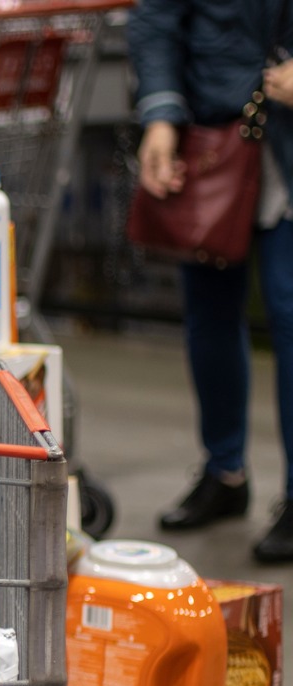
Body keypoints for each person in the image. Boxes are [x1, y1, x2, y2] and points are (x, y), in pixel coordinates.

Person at [130, 0, 293, 562]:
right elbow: (156, 20)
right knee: (209, 315)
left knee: (290, 310)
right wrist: (160, 116)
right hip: (216, 137)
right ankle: (225, 474)